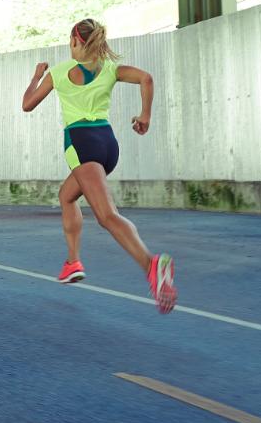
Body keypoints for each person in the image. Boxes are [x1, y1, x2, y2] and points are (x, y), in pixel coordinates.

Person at [21, 18, 177, 314]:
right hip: (107, 144)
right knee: (67, 195)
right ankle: (73, 262)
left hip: (82, 143)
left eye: (71, 42)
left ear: (77, 41)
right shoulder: (110, 69)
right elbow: (146, 78)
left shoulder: (58, 73)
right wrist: (145, 116)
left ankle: (151, 264)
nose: (70, 47)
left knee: (106, 216)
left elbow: (27, 104)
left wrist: (36, 77)